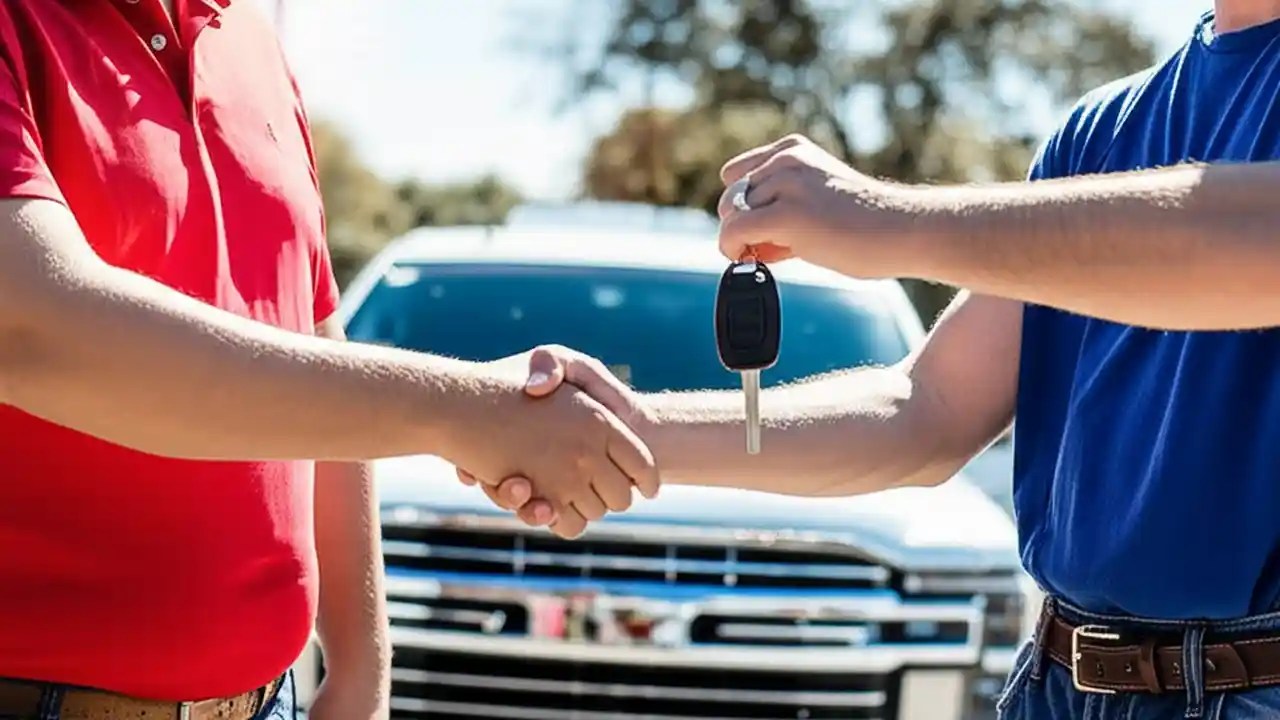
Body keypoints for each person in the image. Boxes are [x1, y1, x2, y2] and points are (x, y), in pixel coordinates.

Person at [467, 1, 1280, 717]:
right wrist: (631, 430)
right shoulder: (1100, 129)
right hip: (1061, 685)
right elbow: (923, 412)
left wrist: (888, 219)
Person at [0, 2, 657, 719]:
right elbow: (35, 328)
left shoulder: (254, 43)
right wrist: (460, 410)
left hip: (267, 703)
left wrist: (360, 669)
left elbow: (318, 338)